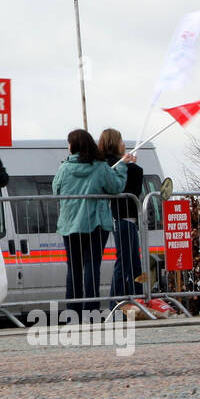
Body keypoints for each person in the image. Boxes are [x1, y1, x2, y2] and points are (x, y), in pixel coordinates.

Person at [52, 129, 130, 318]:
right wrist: (121, 167)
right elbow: (115, 187)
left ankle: (73, 311)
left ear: (74, 146)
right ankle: (91, 311)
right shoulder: (100, 167)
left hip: (70, 225)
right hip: (96, 224)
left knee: (74, 268)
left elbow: (56, 190)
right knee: (92, 267)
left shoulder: (64, 168)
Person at [99, 128, 145, 301]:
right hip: (122, 218)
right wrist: (130, 166)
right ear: (114, 144)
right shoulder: (113, 165)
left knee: (134, 263)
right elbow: (133, 186)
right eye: (120, 141)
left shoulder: (114, 163)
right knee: (125, 263)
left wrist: (130, 165)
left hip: (127, 220)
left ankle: (137, 298)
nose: (124, 144)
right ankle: (116, 302)